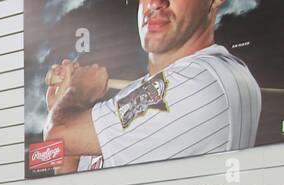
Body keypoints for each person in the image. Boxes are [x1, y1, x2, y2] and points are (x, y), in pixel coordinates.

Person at [43, 0, 261, 171]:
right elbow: (73, 177)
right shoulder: (138, 91)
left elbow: (57, 135)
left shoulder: (202, 79)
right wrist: (59, 105)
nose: (155, 3)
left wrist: (77, 90)